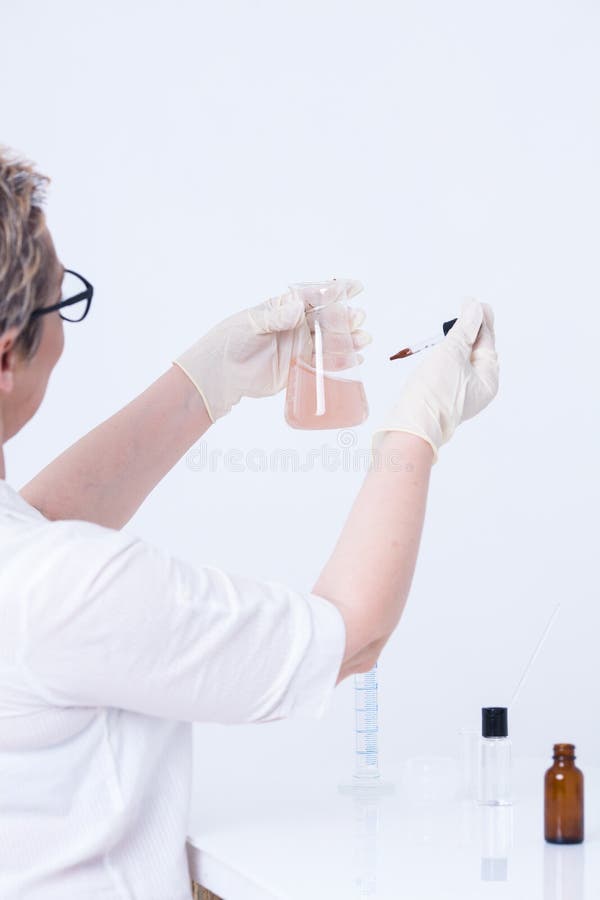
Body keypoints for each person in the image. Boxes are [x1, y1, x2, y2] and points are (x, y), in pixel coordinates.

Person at [0, 147, 499, 900]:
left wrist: (208, 381)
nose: (66, 319)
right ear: (8, 357)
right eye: (61, 300)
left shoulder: (30, 568)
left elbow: (33, 530)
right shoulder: (56, 589)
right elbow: (352, 632)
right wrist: (417, 428)